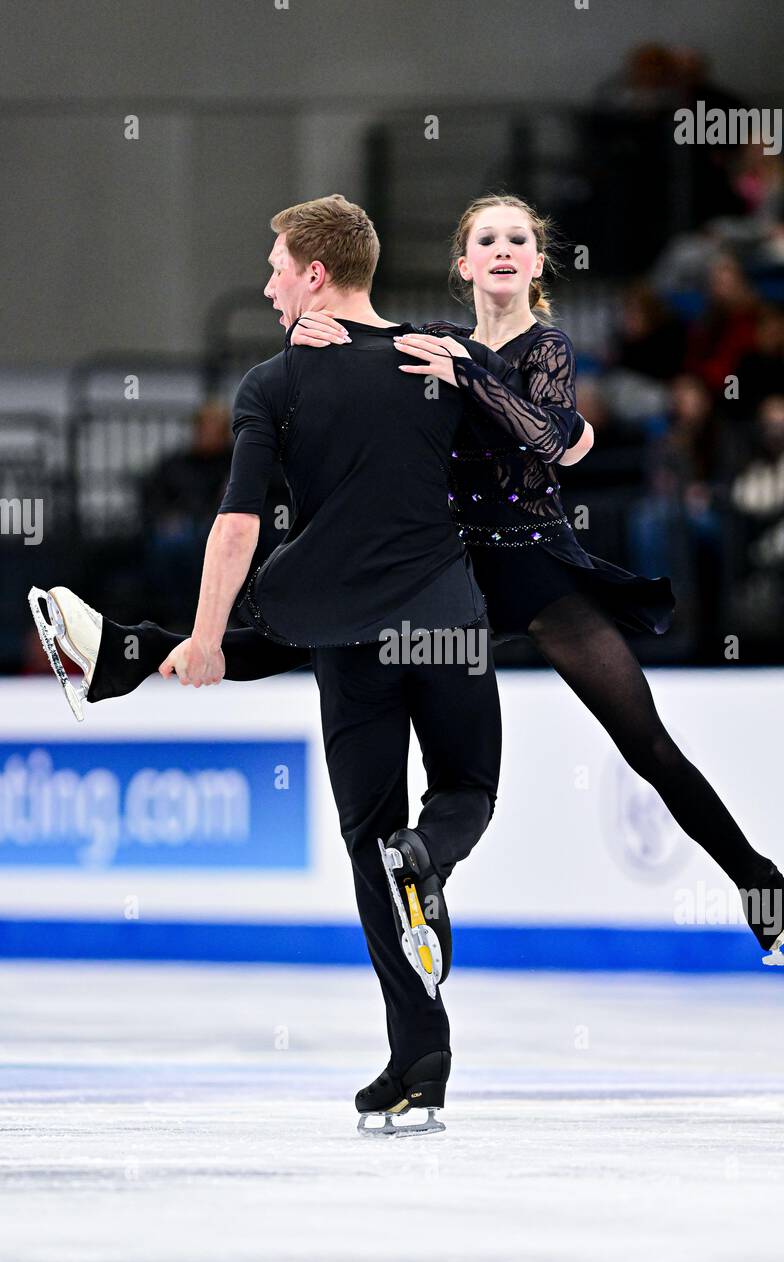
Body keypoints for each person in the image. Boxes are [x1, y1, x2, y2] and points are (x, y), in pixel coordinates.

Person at [30, 194, 587, 1136]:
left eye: (278, 265)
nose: (268, 282)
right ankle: (429, 870)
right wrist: (472, 369)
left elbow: (238, 522)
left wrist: (203, 640)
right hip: (446, 618)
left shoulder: (275, 382)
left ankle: (419, 1056)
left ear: (315, 275)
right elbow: (558, 443)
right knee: (465, 796)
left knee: (369, 832)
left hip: (342, 631)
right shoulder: (439, 357)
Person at [289, 194, 784, 968]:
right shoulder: (436, 342)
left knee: (646, 741)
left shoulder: (545, 345)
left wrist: (468, 376)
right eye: (486, 238)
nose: (502, 249)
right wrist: (321, 331)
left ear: (537, 261)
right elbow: (371, 353)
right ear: (463, 263)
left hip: (535, 563)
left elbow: (551, 436)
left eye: (518, 238)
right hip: (451, 571)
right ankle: (421, 871)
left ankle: (772, 904)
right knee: (299, 632)